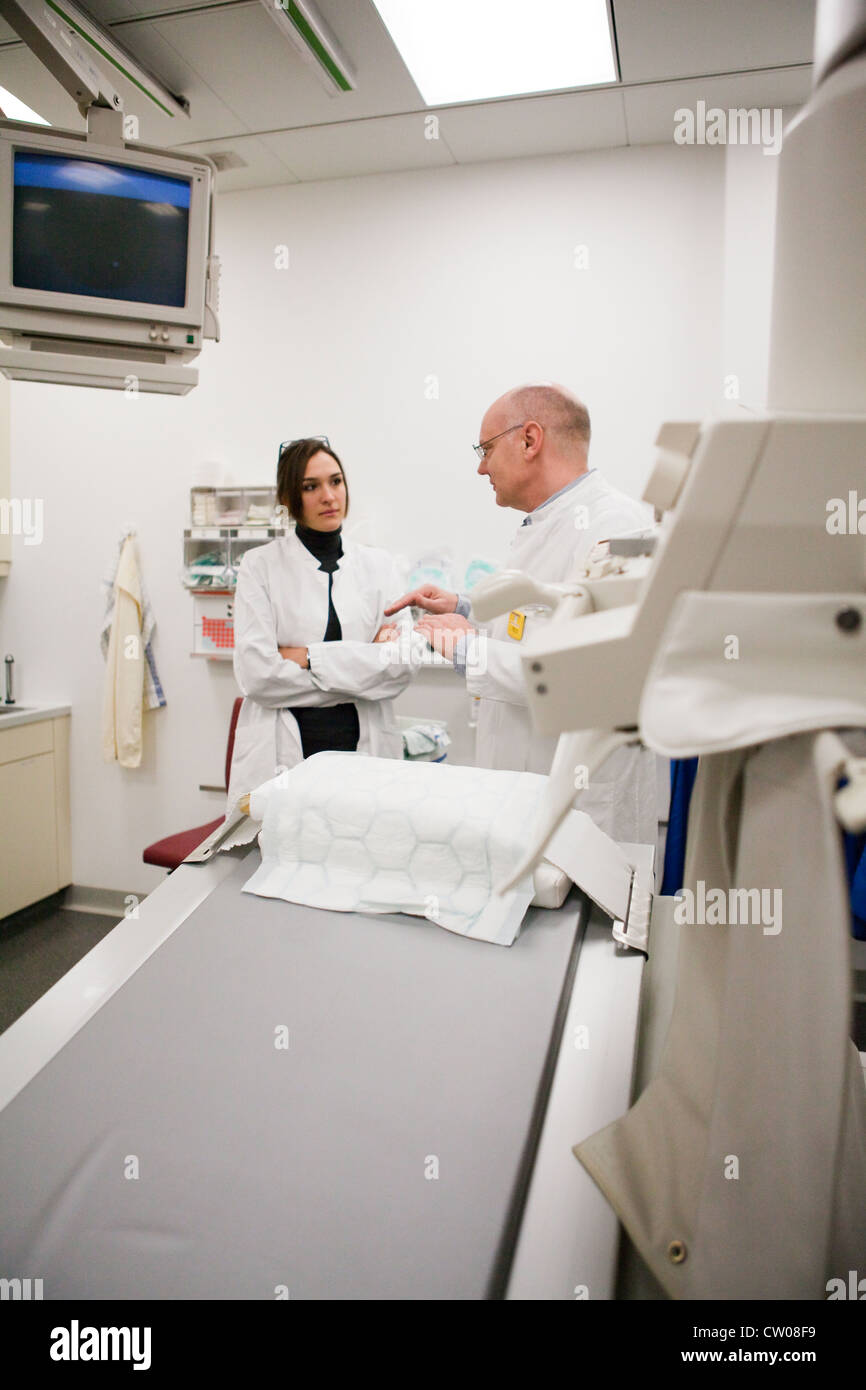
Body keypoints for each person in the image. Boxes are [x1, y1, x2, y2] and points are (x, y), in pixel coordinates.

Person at [385, 383, 657, 842]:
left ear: (530, 440)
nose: (481, 467)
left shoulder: (615, 527)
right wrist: (464, 607)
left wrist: (467, 649)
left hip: (582, 810)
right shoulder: (546, 522)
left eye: (486, 449)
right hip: (525, 789)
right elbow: (535, 620)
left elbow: (590, 676)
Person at [227, 437, 411, 812]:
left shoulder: (380, 567)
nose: (329, 496)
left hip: (364, 752)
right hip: (285, 754)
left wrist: (307, 657)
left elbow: (401, 667)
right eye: (311, 486)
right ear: (288, 497)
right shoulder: (259, 567)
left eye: (336, 481)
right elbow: (258, 677)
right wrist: (362, 670)